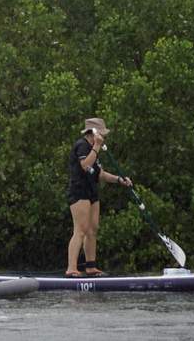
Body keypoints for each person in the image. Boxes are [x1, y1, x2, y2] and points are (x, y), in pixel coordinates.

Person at [66, 117, 133, 277]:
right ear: (93, 133)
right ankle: (71, 268)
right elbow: (85, 165)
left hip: (92, 192)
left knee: (92, 229)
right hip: (79, 192)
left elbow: (99, 173)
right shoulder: (82, 145)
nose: (104, 137)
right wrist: (96, 146)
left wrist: (119, 179)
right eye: (102, 133)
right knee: (80, 230)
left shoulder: (94, 149)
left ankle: (91, 266)